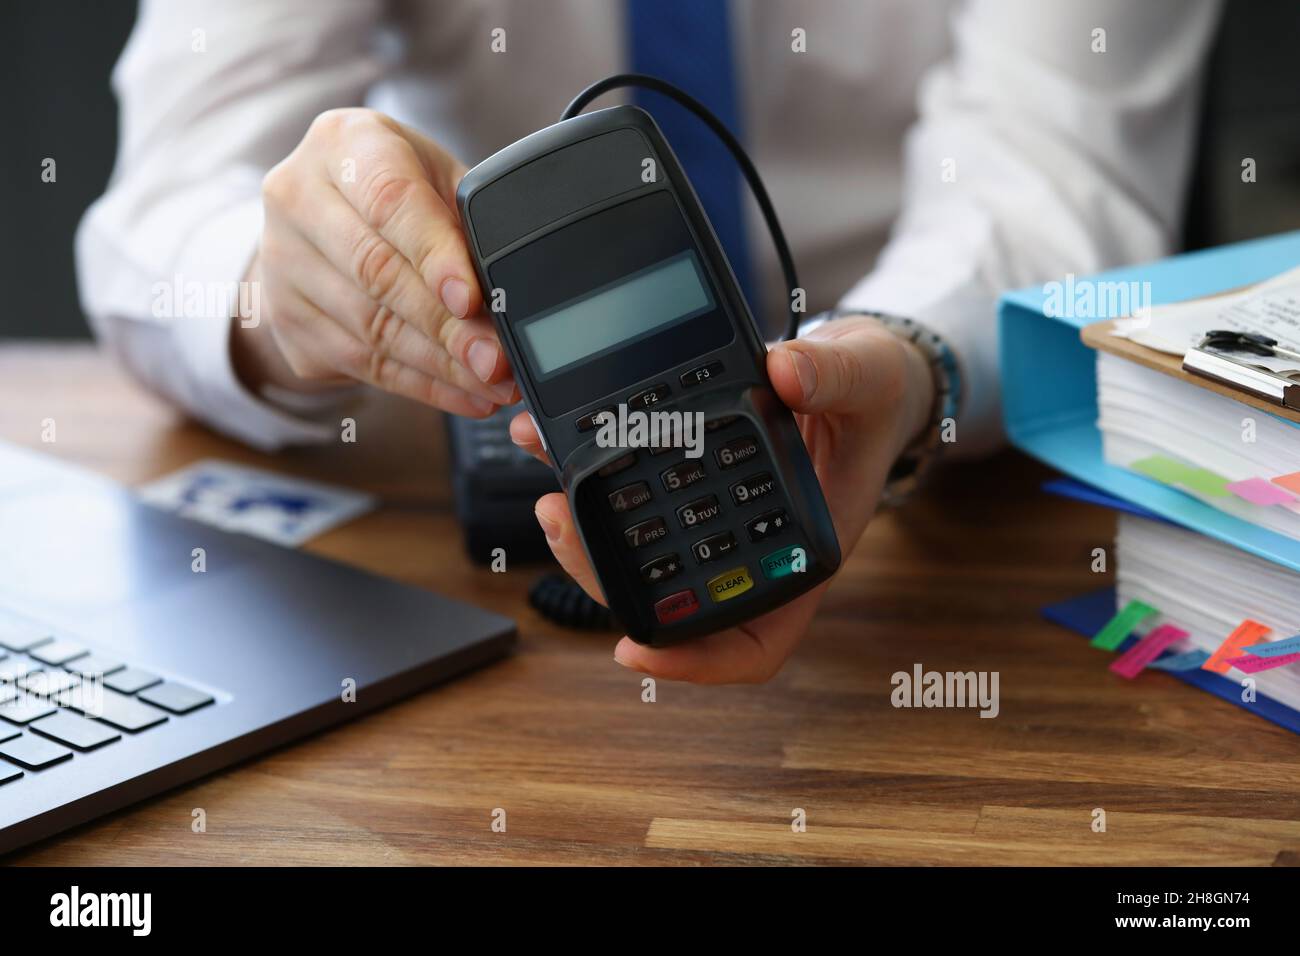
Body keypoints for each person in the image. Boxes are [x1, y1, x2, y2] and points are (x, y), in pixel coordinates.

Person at [76, 0, 1222, 683]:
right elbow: (155, 210)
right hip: (488, 407)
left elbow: (1057, 175)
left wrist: (904, 352)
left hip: (933, 419)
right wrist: (288, 293)